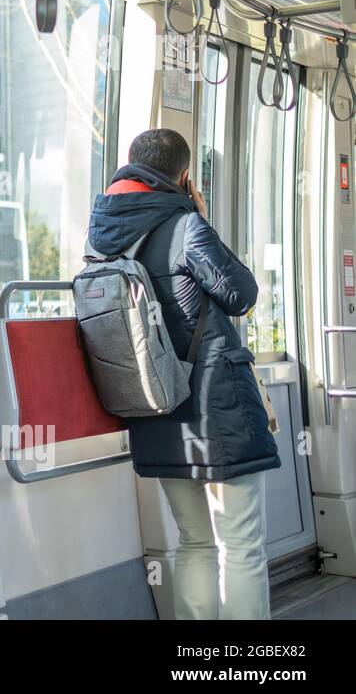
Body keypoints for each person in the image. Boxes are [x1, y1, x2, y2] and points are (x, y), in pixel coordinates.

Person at [85, 128, 280, 619]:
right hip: (218, 404)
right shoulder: (186, 225)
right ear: (185, 176)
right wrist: (200, 217)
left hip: (152, 404)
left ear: (129, 166)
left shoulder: (101, 239)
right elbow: (241, 293)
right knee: (241, 543)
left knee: (194, 540)